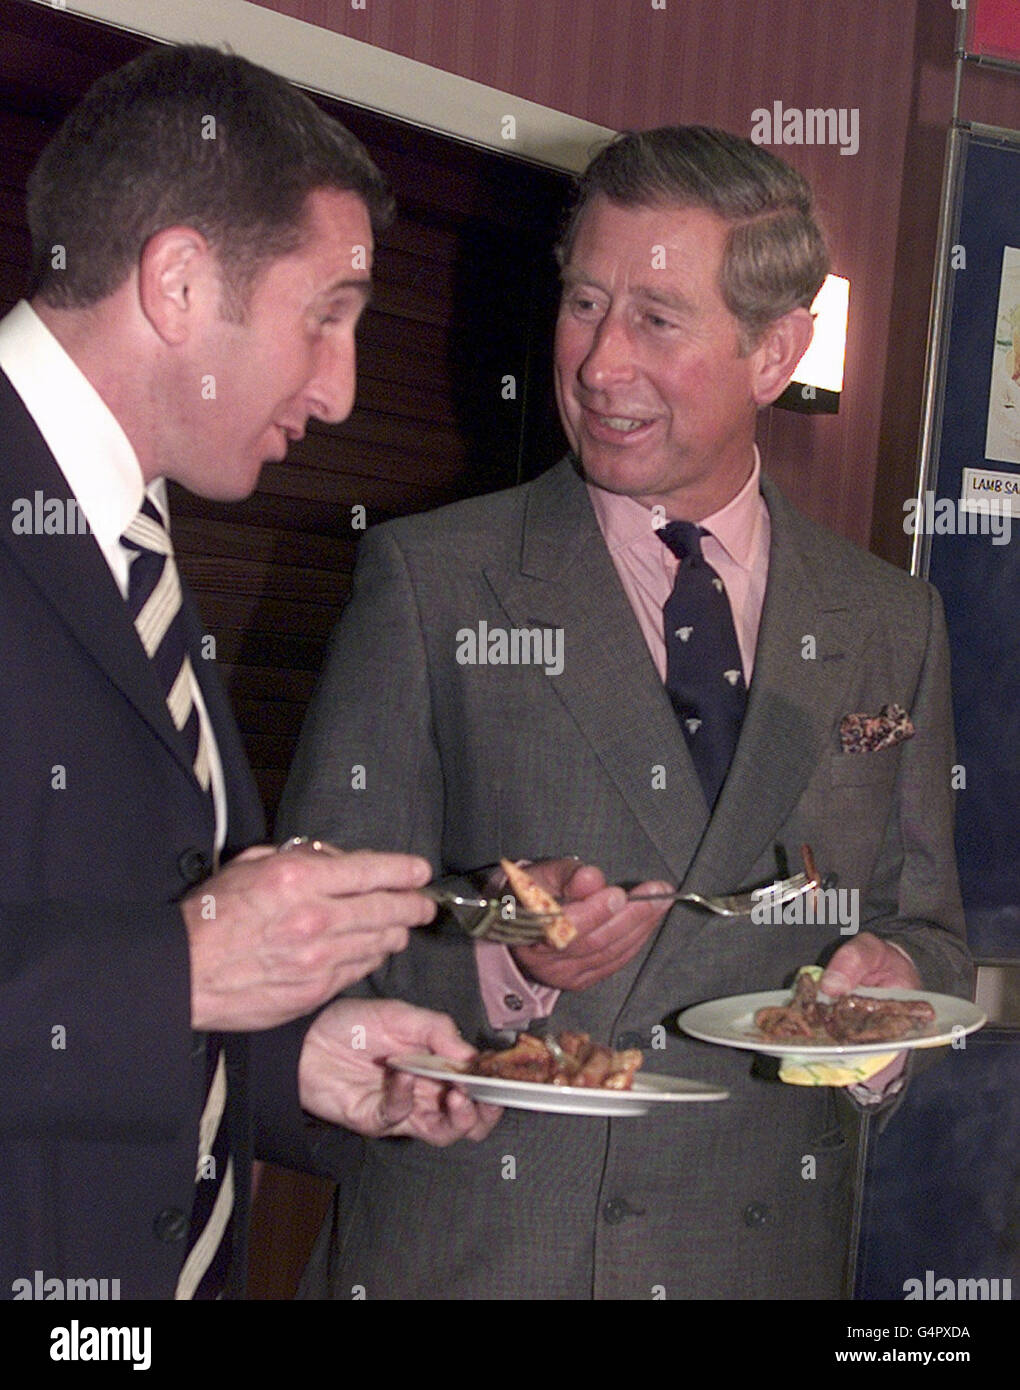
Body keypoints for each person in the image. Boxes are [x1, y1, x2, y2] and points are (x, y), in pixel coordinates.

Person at [278, 126, 973, 1300]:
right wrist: (510, 964)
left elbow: (934, 936)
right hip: (486, 1262)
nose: (599, 361)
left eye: (657, 317)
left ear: (776, 351)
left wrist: (885, 988)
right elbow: (306, 945)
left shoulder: (891, 621)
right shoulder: (431, 582)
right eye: (584, 302)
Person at [0, 44, 498, 1303]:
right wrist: (188, 968)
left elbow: (108, 940)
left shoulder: (134, 535)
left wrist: (296, 1059)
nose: (338, 393)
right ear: (177, 283)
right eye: (324, 318)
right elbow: (154, 960)